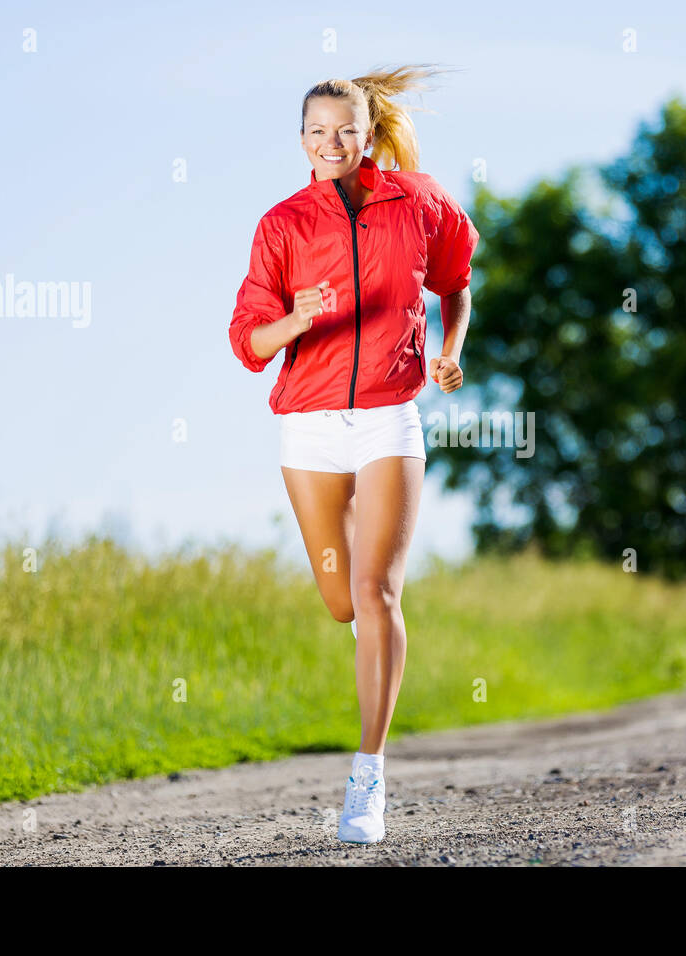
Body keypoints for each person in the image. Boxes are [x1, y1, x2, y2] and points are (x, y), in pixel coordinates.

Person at [228, 65, 479, 844]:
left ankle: (367, 778)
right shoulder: (282, 225)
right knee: (341, 601)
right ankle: (364, 633)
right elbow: (247, 343)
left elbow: (456, 284)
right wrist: (295, 322)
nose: (331, 143)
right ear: (300, 140)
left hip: (389, 419)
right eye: (316, 132)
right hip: (308, 427)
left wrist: (449, 350)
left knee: (376, 594)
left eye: (345, 131)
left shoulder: (421, 201)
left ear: (368, 134)